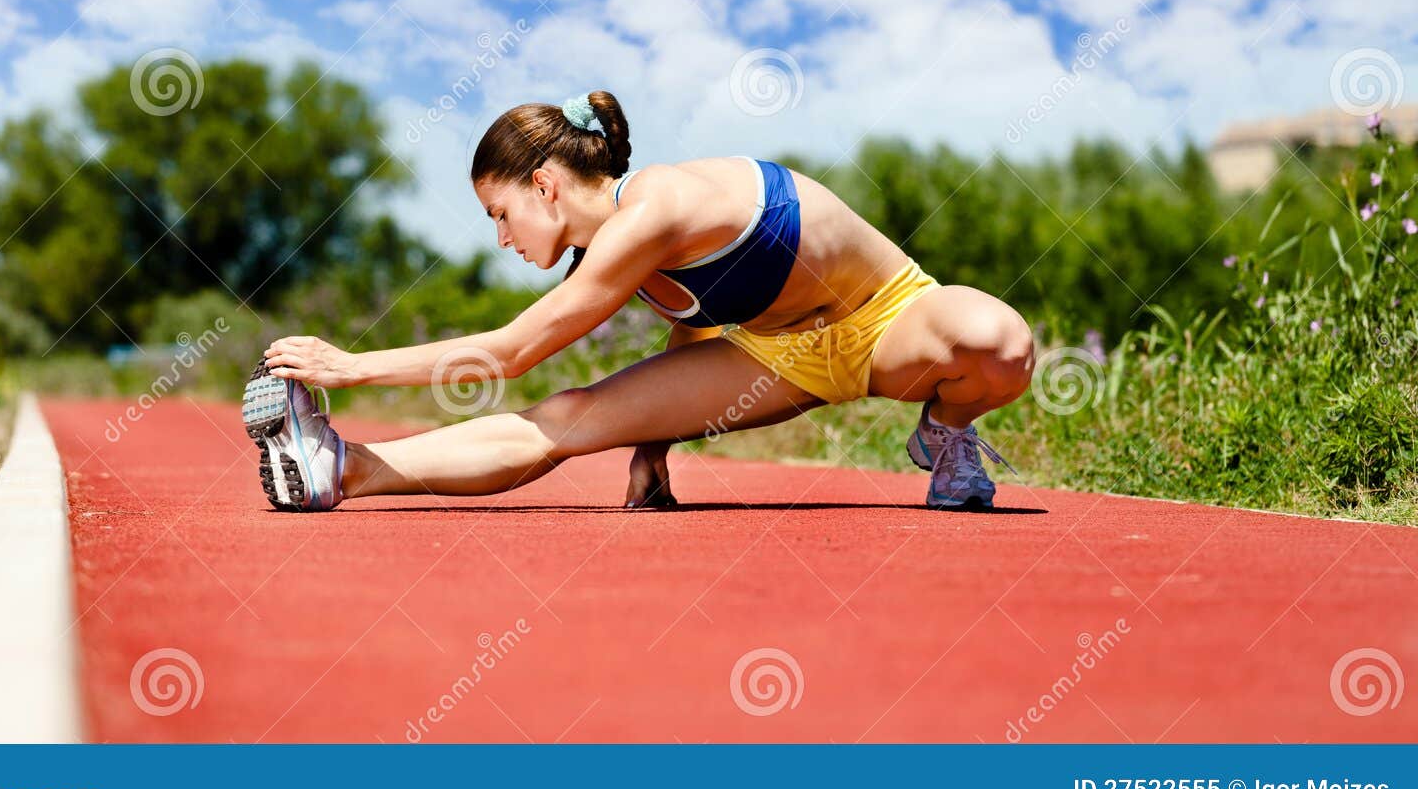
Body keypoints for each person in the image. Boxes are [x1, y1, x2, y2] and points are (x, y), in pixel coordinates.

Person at [243, 90, 1034, 513]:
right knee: (567, 420)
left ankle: (946, 431)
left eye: (500, 213)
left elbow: (515, 350)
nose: (501, 238)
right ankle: (341, 470)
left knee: (998, 342)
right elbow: (691, 330)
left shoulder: (654, 208)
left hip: (886, 322)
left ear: (545, 185)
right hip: (777, 359)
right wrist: (655, 443)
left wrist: (349, 365)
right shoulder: (619, 251)